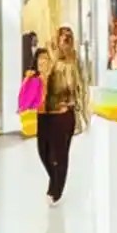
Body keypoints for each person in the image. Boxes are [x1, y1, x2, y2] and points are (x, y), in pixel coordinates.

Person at [36, 27, 90, 205]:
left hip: (64, 113)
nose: (66, 40)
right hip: (44, 112)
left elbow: (81, 86)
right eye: (63, 37)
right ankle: (54, 179)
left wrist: (82, 111)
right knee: (43, 151)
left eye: (69, 37)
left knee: (60, 154)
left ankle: (56, 188)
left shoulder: (74, 62)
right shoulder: (46, 55)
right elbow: (37, 77)